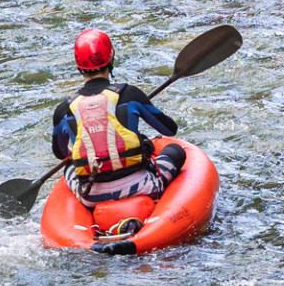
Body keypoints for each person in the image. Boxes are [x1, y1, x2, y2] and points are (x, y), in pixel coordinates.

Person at [52, 29, 186, 231]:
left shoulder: (64, 109)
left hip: (91, 195)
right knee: (176, 152)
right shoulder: (129, 94)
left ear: (78, 65)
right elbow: (168, 129)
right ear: (111, 57)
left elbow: (60, 153)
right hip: (142, 186)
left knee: (69, 166)